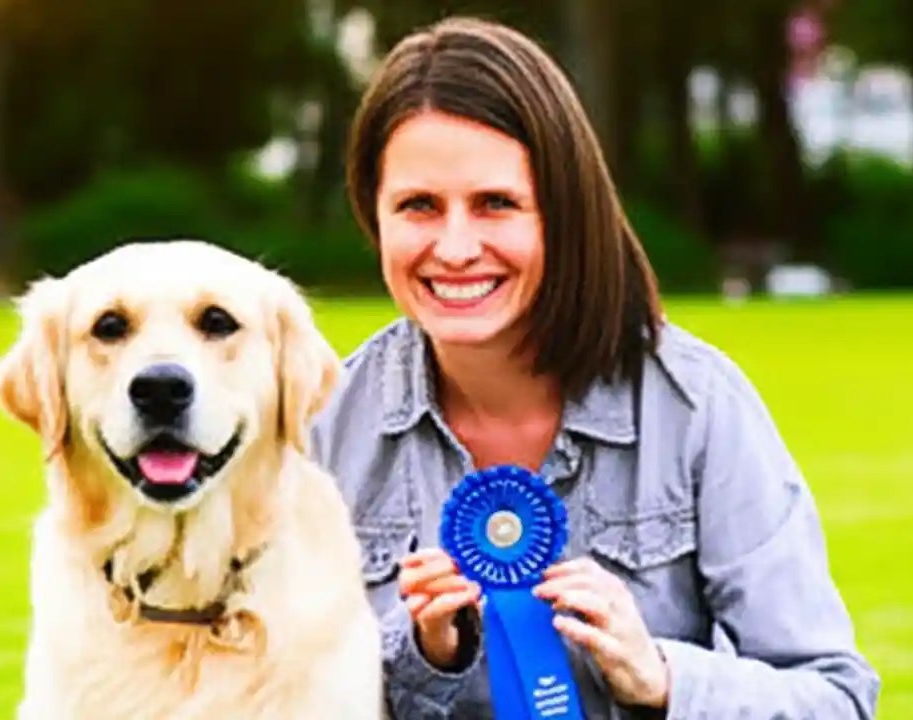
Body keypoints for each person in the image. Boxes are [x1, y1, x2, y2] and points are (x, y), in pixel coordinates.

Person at [309, 15, 879, 720]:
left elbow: (836, 698)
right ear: (375, 216)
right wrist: (421, 661)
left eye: (496, 204)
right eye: (419, 206)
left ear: (564, 212)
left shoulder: (697, 406)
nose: (455, 248)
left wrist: (662, 676)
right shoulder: (320, 426)